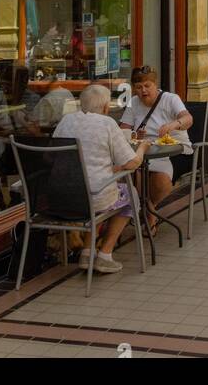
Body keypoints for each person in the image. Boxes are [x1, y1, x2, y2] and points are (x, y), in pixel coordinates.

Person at [53, 83, 149, 274]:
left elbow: (52, 156)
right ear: (106, 107)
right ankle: (105, 254)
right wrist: (143, 148)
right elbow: (132, 164)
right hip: (92, 199)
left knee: (101, 191)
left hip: (59, 199)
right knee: (130, 195)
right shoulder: (107, 124)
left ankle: (87, 253)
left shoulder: (66, 121)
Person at [119, 66, 193, 231]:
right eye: (139, 87)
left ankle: (147, 209)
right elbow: (123, 130)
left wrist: (174, 124)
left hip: (175, 149)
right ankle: (151, 213)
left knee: (158, 178)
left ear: (155, 84)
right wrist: (134, 134)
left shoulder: (170, 99)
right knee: (133, 172)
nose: (143, 90)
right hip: (144, 151)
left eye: (147, 86)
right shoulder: (134, 103)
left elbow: (188, 118)